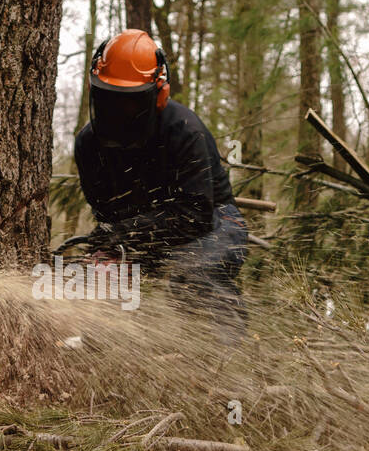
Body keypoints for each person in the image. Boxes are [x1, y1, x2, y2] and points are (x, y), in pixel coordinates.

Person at [73, 29, 248, 329]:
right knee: (101, 275)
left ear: (158, 96)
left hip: (214, 221)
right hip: (143, 231)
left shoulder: (184, 132)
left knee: (194, 275)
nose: (117, 111)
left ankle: (226, 347)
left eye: (128, 102)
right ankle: (113, 344)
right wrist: (108, 247)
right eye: (109, 98)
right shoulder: (89, 145)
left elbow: (196, 216)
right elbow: (107, 214)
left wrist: (125, 233)